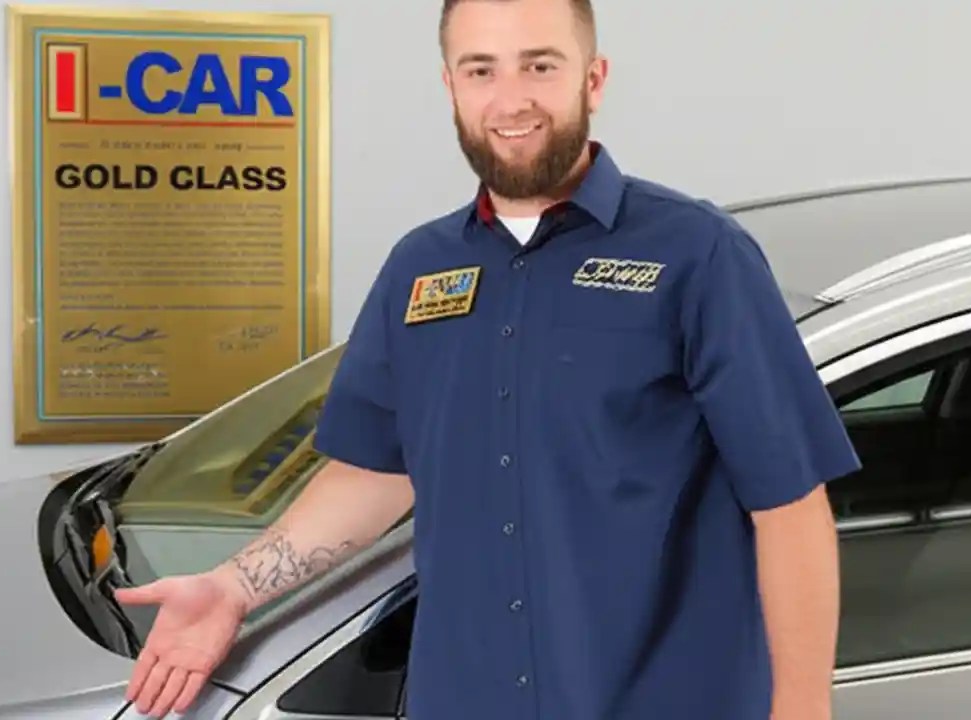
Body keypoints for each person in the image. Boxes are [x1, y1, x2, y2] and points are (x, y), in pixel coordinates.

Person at [112, 0, 862, 717]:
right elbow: (377, 473)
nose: (512, 100)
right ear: (450, 87)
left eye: (540, 66)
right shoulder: (418, 270)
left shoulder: (699, 255)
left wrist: (800, 707)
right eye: (482, 70)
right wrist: (235, 588)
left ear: (591, 78)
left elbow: (788, 505)